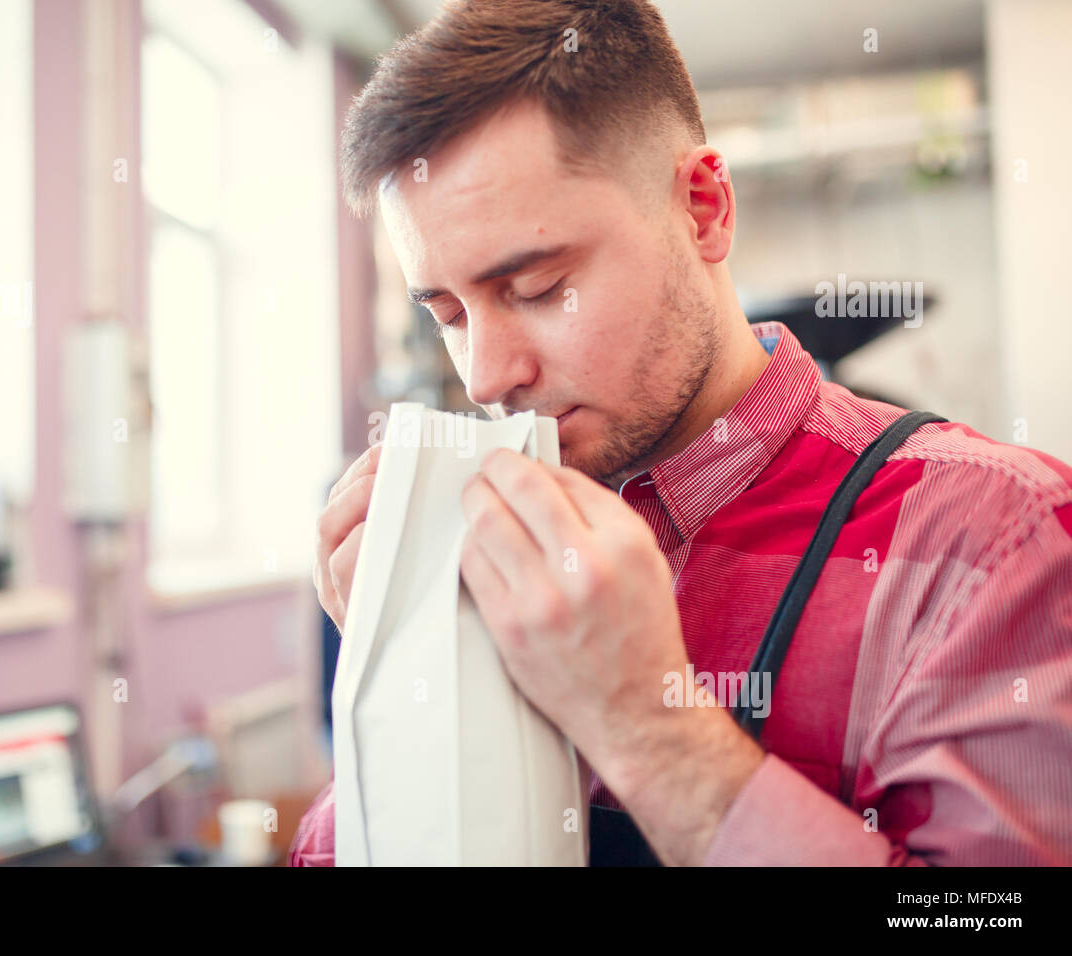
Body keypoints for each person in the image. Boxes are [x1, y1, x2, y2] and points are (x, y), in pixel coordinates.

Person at [296, 0, 1072, 866]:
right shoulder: (481, 547)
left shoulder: (996, 539)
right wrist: (401, 675)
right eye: (447, 313)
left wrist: (647, 726)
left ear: (702, 209)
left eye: (539, 288)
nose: (485, 376)